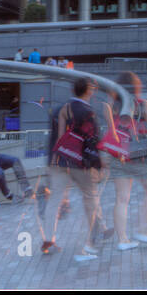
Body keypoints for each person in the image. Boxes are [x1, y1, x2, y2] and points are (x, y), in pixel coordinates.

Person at [99, 74, 147, 250]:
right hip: (140, 155)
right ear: (136, 87)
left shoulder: (112, 106)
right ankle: (145, 230)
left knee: (121, 199)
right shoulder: (144, 105)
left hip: (118, 154)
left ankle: (123, 240)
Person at [44, 77, 104, 260]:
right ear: (88, 91)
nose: (93, 92)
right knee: (90, 195)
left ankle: (48, 239)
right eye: (92, 88)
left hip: (57, 160)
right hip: (79, 162)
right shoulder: (88, 112)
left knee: (54, 199)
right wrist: (96, 165)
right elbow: (92, 141)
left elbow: (55, 136)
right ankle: (94, 235)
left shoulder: (57, 110)